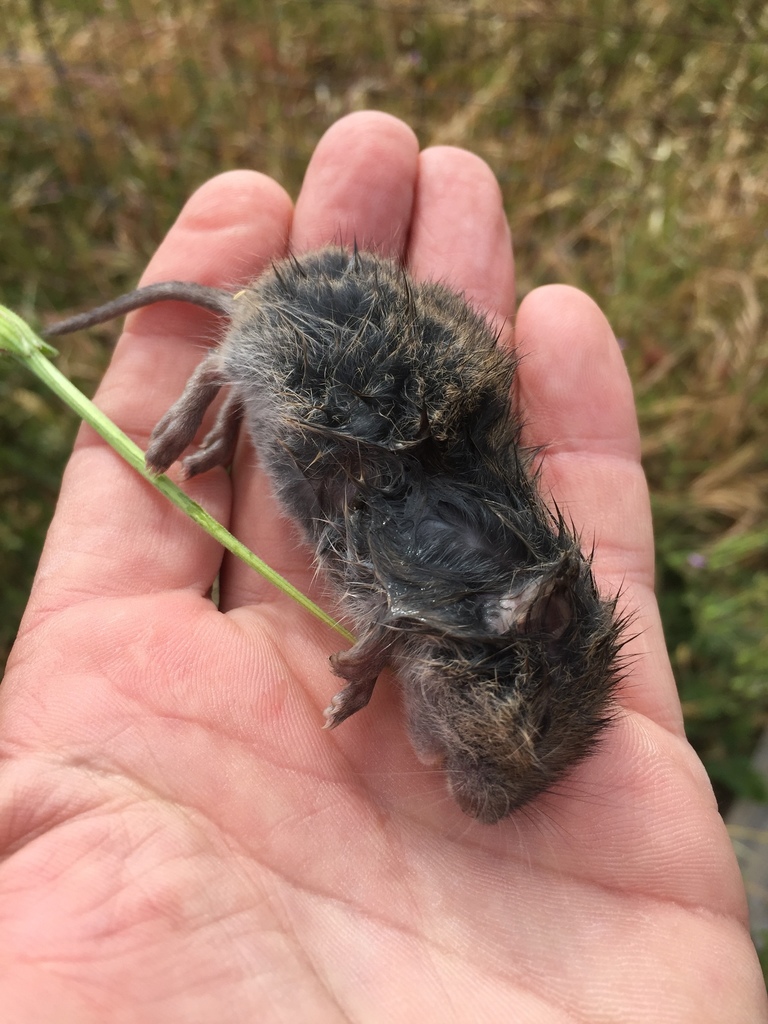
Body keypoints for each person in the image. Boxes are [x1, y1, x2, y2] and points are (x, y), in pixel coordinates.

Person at [1, 111, 764, 1021]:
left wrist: (376, 665)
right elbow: (406, 610)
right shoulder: (471, 593)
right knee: (271, 379)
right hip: (334, 361)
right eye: (508, 755)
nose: (483, 786)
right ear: (504, 641)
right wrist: (366, 661)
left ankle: (227, 395)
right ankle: (218, 385)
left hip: (373, 364)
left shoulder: (504, 596)